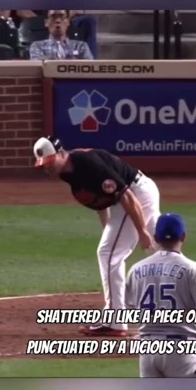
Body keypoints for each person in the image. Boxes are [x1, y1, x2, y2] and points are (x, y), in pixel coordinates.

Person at [33, 135, 161, 334]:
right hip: (137, 193)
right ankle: (190, 299)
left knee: (108, 254)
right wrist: (108, 230)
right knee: (160, 248)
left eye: (49, 162)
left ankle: (115, 322)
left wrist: (141, 231)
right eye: (43, 165)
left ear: (60, 154)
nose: (47, 168)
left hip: (137, 195)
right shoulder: (68, 172)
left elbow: (126, 195)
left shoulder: (87, 164)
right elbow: (100, 201)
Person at [125, 212, 196, 378]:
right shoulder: (193, 269)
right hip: (180, 351)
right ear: (183, 236)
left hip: (147, 352)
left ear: (155, 237)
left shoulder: (136, 269)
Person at [29, 10, 93, 60]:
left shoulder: (81, 46)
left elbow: (90, 70)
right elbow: (37, 69)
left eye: (62, 17)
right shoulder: (37, 46)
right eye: (53, 16)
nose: (58, 20)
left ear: (68, 22)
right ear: (46, 22)